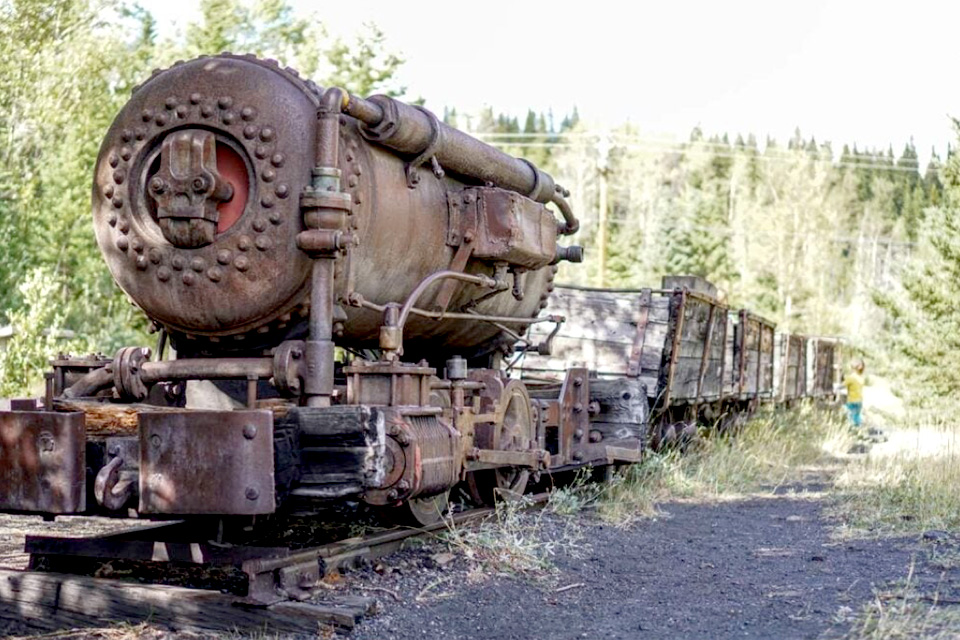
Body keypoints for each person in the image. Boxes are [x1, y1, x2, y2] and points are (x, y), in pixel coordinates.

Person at [843, 360, 865, 430]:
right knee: (857, 416)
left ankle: (852, 431)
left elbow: (842, 385)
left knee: (850, 416)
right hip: (859, 400)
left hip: (851, 400)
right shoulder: (861, 378)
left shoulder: (851, 377)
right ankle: (859, 430)